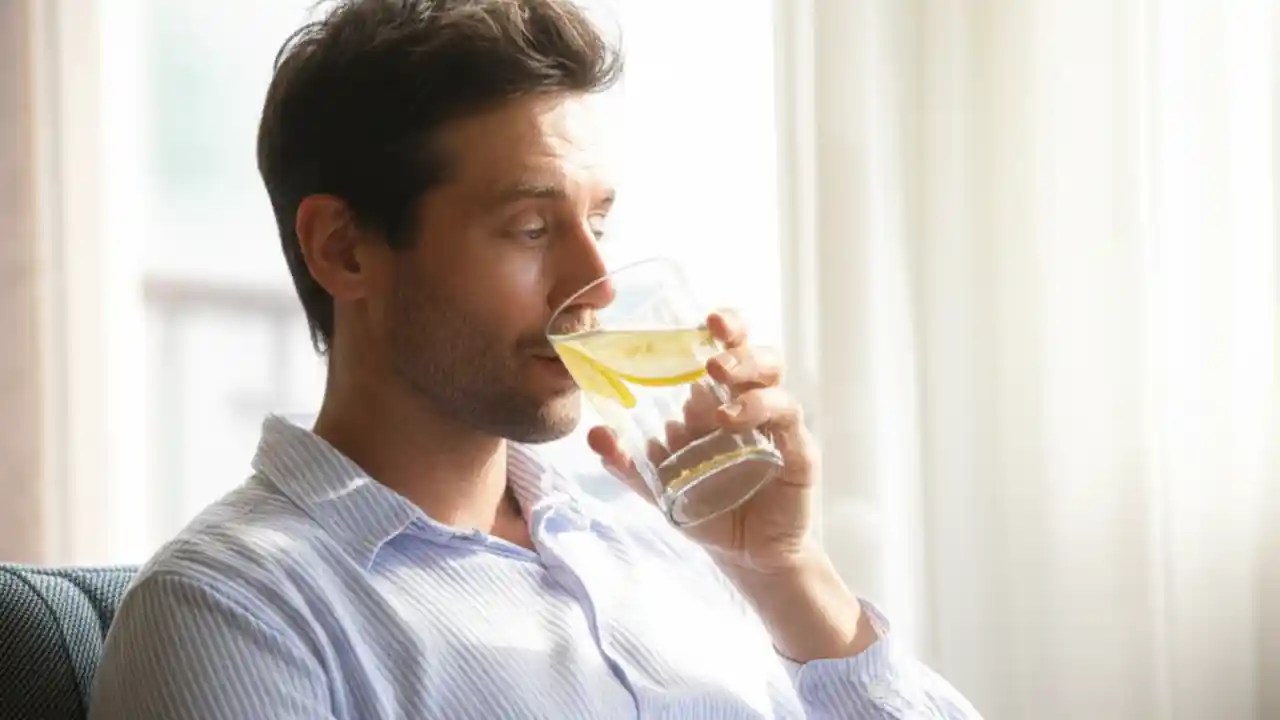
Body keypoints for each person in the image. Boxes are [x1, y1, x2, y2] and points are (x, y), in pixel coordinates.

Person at [90, 1, 981, 717]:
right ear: (345, 249)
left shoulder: (659, 548)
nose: (594, 284)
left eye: (598, 222)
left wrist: (785, 573)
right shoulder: (236, 614)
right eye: (529, 228)